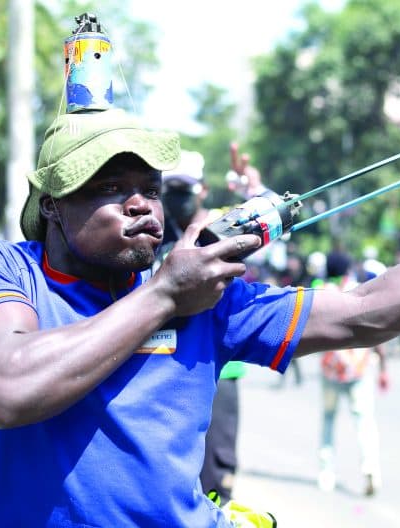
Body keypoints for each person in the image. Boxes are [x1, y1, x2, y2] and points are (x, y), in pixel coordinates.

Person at [0, 108, 400, 527]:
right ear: (51, 204)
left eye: (150, 189)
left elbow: (369, 311)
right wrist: (163, 297)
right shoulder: (2, 269)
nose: (141, 204)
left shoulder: (207, 295)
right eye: (111, 187)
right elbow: (8, 387)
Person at [157, 148, 248, 505]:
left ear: (203, 190)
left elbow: (273, 217)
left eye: (186, 189)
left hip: (222, 366)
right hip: (166, 362)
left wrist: (251, 187)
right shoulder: (154, 232)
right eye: (171, 189)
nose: (178, 197)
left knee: (217, 470)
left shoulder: (222, 227)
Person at [315, 250, 388, 496]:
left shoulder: (320, 292)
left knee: (328, 419)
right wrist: (383, 365)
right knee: (364, 422)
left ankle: (326, 473)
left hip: (329, 368)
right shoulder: (359, 290)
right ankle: (370, 469)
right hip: (358, 367)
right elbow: (374, 328)